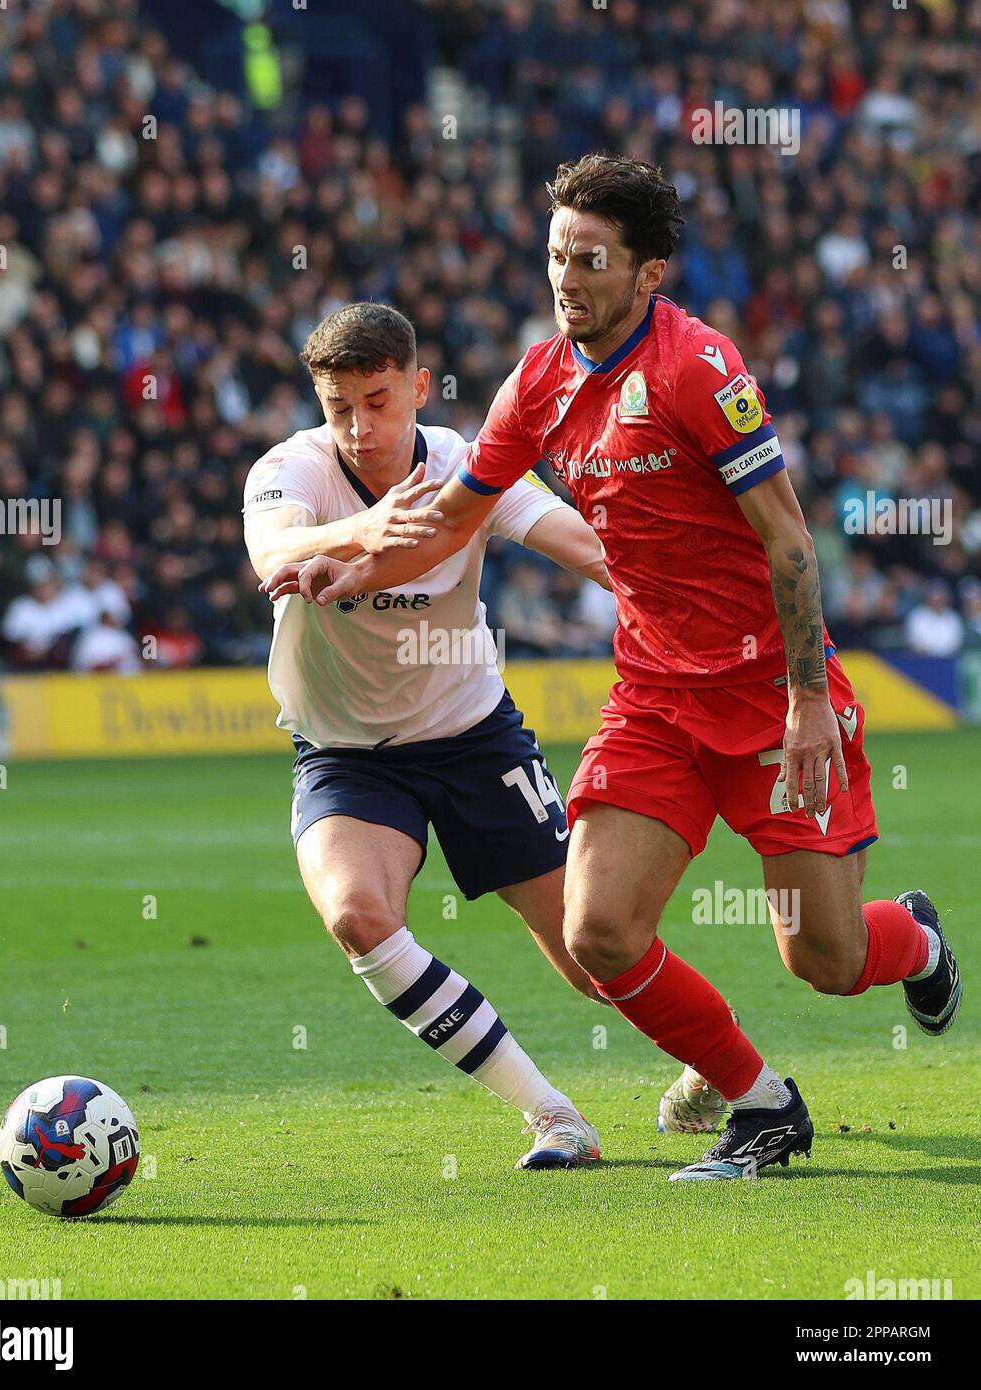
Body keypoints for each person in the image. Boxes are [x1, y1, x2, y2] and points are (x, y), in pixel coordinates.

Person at [264, 156, 962, 1182]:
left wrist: (811, 699)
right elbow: (450, 521)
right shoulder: (537, 383)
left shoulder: (699, 369)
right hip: (657, 698)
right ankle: (763, 1106)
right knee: (597, 932)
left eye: (590, 258)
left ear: (649, 274)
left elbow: (791, 542)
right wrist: (343, 562)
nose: (566, 277)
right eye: (555, 256)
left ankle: (916, 941)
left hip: (771, 695)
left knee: (825, 960)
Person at [243, 301, 615, 1170]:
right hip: (343, 754)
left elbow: (575, 538)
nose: (360, 426)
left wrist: (658, 583)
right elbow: (270, 552)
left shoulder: (462, 464)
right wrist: (361, 528)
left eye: (377, 401)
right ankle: (553, 1115)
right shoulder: (288, 469)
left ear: (417, 386)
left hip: (473, 736)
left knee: (597, 953)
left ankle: (718, 1063)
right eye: (339, 407)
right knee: (358, 917)